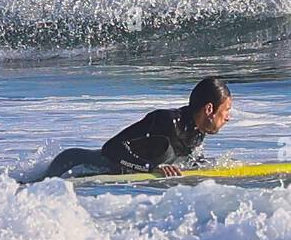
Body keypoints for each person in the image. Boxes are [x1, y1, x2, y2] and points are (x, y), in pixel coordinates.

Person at [41, 76, 234, 179]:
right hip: (72, 164)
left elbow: (190, 162)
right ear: (209, 109)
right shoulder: (166, 121)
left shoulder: (197, 133)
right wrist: (151, 168)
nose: (228, 118)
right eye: (226, 110)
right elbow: (111, 148)